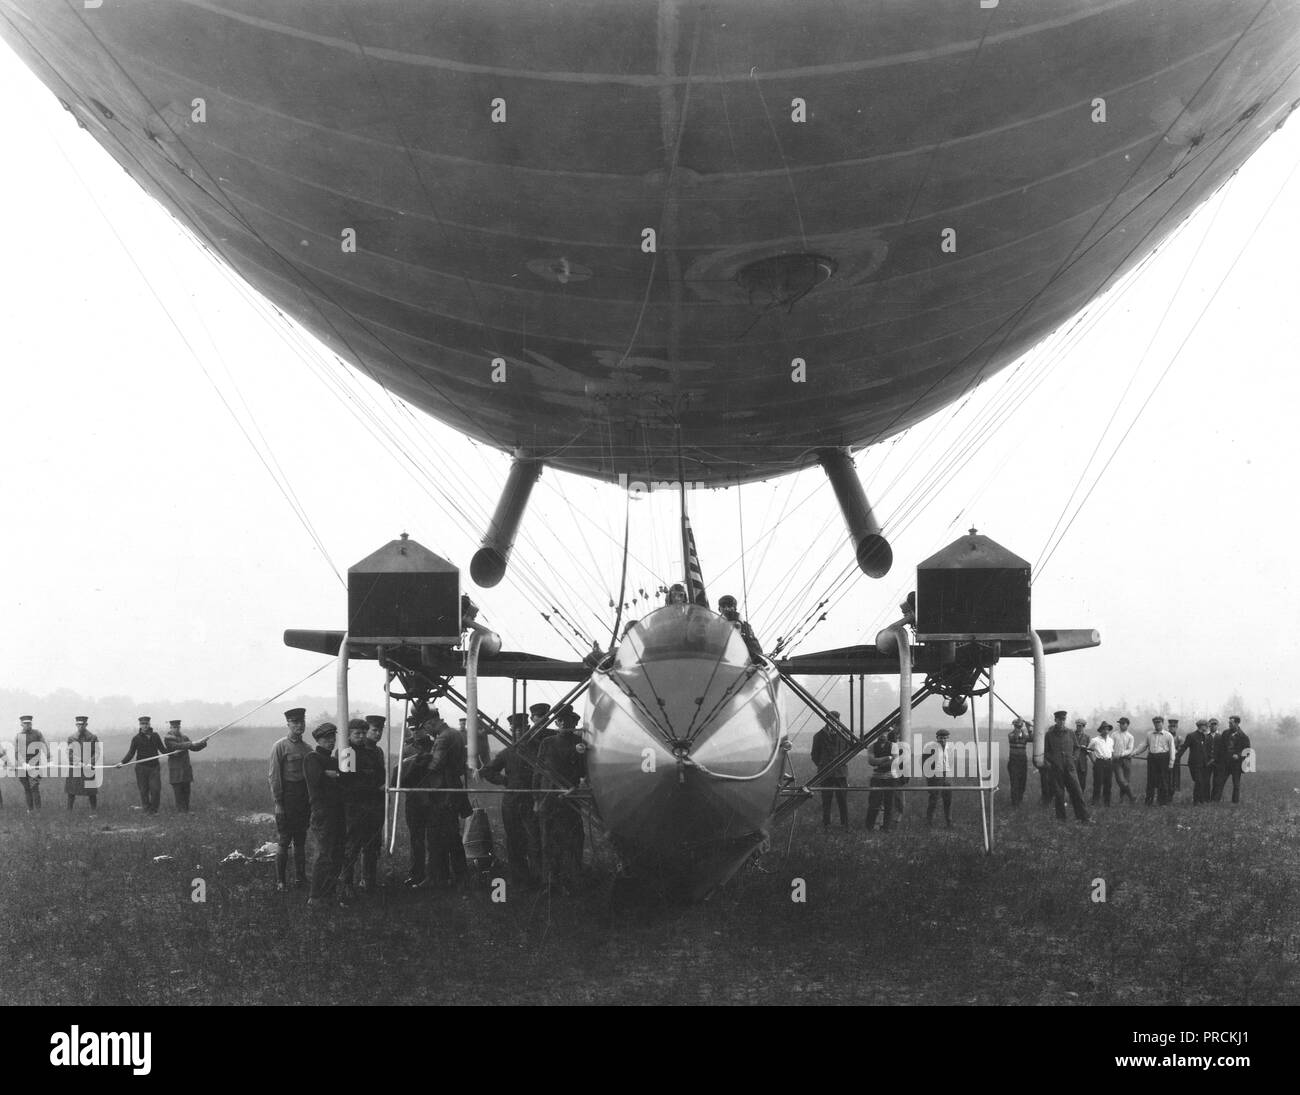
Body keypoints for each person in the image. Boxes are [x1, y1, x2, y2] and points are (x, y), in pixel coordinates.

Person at [481, 713, 542, 885]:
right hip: (512, 802)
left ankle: (539, 878)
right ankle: (520, 879)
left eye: (521, 729)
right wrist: (505, 781)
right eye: (514, 730)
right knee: (515, 840)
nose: (517, 733)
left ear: (528, 729)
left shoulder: (539, 750)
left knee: (535, 839)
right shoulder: (507, 753)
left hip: (533, 800)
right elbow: (487, 771)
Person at [534, 707, 586, 890]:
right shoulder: (547, 743)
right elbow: (538, 772)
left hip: (569, 798)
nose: (564, 723)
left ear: (574, 723)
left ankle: (573, 879)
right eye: (561, 720)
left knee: (573, 839)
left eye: (569, 721)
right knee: (548, 839)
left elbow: (584, 772)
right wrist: (536, 799)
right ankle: (550, 881)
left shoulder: (580, 743)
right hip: (548, 798)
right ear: (556, 723)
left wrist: (576, 788)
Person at [268, 707, 313, 891]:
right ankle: (281, 881)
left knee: (301, 840)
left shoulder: (308, 748)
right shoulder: (280, 746)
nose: (299, 725)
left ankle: (300, 878)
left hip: (303, 799)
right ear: (288, 724)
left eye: (301, 722)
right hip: (287, 798)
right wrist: (278, 803)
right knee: (284, 840)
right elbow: (274, 776)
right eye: (295, 722)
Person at [339, 719, 386, 894]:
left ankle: (369, 881)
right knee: (352, 846)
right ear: (349, 734)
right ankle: (347, 884)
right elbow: (347, 784)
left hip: (373, 806)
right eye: (356, 733)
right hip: (354, 807)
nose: (361, 736)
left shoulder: (372, 752)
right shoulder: (346, 753)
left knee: (372, 845)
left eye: (363, 733)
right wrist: (374, 789)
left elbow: (380, 775)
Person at [304, 723, 346, 907]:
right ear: (318, 740)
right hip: (322, 812)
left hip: (337, 811)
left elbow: (345, 779)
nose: (330, 742)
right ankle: (315, 896)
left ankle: (329, 893)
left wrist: (334, 775)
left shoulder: (334, 760)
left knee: (337, 853)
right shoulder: (312, 758)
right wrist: (328, 775)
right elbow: (315, 779)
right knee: (324, 854)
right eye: (326, 739)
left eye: (332, 738)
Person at [1042, 710, 1092, 823]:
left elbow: (1077, 747)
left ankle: (1084, 818)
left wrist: (1074, 758)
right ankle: (1061, 819)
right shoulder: (1049, 734)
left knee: (1077, 792)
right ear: (1055, 720)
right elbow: (1045, 751)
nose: (1062, 722)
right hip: (1056, 769)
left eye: (1063, 719)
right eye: (1059, 719)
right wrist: (1052, 762)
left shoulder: (1070, 733)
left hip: (1070, 768)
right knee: (1059, 794)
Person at [810, 712, 850, 829]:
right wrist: (823, 765)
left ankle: (845, 825)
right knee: (826, 801)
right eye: (830, 720)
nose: (833, 722)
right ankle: (826, 825)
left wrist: (841, 764)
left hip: (841, 774)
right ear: (826, 720)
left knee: (842, 801)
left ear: (839, 721)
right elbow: (814, 754)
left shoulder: (845, 735)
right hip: (825, 773)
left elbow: (849, 753)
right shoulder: (819, 735)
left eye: (835, 720)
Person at [120, 716, 165, 814]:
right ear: (140, 725)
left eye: (146, 724)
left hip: (154, 767)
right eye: (142, 724)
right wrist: (122, 762)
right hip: (141, 768)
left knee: (156, 789)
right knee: (143, 791)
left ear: (149, 725)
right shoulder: (136, 738)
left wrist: (174, 751)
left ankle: (154, 810)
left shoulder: (155, 736)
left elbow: (163, 749)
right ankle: (147, 809)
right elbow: (131, 753)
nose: (144, 726)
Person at [162, 719, 207, 812]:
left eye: (178, 727)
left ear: (180, 727)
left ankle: (186, 811)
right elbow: (176, 746)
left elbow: (194, 748)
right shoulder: (168, 738)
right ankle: (180, 812)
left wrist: (203, 742)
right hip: (176, 771)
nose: (176, 729)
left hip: (186, 769)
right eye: (174, 727)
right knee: (178, 792)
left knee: (186, 791)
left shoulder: (185, 737)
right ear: (170, 728)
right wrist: (190, 743)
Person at [865, 726, 901, 831]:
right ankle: (869, 827)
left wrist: (879, 762)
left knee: (889, 804)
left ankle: (887, 828)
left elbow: (894, 762)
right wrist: (887, 758)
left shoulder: (894, 746)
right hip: (877, 778)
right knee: (874, 804)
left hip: (891, 777)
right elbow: (871, 761)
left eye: (885, 732)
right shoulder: (871, 747)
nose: (882, 735)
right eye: (880, 733)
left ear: (888, 733)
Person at [1134, 716, 1174, 806]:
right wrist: (1134, 753)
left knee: (1163, 780)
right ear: (1153, 724)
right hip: (1152, 758)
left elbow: (1172, 749)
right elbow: (1143, 745)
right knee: (1151, 780)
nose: (1157, 724)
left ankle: (1162, 802)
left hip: (1163, 758)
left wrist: (1171, 763)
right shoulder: (1149, 734)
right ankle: (1149, 802)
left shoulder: (1168, 735)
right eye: (1155, 722)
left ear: (1162, 723)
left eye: (1159, 722)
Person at [1212, 716, 1251, 804]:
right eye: (1229, 723)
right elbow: (1220, 748)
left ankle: (1235, 803)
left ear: (1237, 723)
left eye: (1231, 723)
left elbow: (1248, 751)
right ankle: (1215, 801)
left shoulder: (1243, 736)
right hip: (1225, 764)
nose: (1229, 724)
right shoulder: (1225, 733)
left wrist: (1239, 755)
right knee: (1220, 783)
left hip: (1236, 765)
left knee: (1236, 785)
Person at [65, 716, 100, 812]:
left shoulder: (93, 738)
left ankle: (94, 811)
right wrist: (78, 762)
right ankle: (69, 811)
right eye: (79, 724)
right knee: (71, 791)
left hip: (88, 768)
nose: (80, 726)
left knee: (91, 790)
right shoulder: (71, 738)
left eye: (82, 724)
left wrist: (90, 763)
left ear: (86, 725)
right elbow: (69, 753)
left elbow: (97, 753)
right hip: (75, 767)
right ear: (76, 725)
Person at [923, 727, 955, 828]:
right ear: (937, 737)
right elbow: (924, 763)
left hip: (946, 774)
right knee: (934, 799)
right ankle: (929, 822)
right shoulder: (930, 747)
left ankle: (949, 822)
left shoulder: (950, 747)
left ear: (948, 738)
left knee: (948, 799)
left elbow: (950, 760)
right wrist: (930, 776)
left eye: (945, 738)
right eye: (941, 738)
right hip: (935, 776)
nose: (943, 740)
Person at [718, 593, 764, 660]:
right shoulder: (714, 624)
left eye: (729, 606)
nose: (726, 609)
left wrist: (757, 660)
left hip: (740, 661)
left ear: (734, 607)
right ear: (719, 608)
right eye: (723, 606)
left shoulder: (745, 626)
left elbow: (754, 648)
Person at [1178, 720, 1214, 805]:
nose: (1207, 727)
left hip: (1204, 764)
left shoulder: (1206, 737)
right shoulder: (1191, 736)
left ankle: (1200, 800)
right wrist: (1176, 758)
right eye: (1206, 726)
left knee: (1202, 782)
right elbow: (1184, 748)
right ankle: (1196, 801)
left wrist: (1211, 759)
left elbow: (1207, 750)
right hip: (1194, 764)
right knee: (1198, 781)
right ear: (1201, 726)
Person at [15, 715, 45, 811]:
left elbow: (44, 745)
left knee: (34, 787)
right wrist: (23, 763)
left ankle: (38, 810)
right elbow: (17, 752)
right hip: (22, 767)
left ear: (31, 723)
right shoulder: (18, 736)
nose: (27, 725)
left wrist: (49, 759)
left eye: (29, 723)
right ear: (21, 724)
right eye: (25, 723)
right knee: (27, 789)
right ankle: (30, 810)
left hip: (34, 765)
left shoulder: (37, 733)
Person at [1006, 718, 1032, 806]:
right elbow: (1016, 737)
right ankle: (1015, 803)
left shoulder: (1024, 735)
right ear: (1014, 726)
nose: (1018, 728)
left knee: (1022, 782)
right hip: (1013, 762)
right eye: (1017, 726)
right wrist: (1023, 730)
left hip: (1023, 762)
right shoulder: (1011, 735)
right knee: (1015, 783)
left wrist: (1029, 728)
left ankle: (1019, 799)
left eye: (1020, 726)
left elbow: (1032, 739)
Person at [1088, 722, 1114, 807]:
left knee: (1108, 783)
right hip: (1099, 762)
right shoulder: (1095, 740)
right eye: (1104, 729)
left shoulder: (1111, 740)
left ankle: (1107, 803)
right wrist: (1094, 762)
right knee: (1098, 783)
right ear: (1101, 730)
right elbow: (1089, 751)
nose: (1106, 731)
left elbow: (1111, 752)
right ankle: (1095, 802)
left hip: (1109, 762)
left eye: (1107, 729)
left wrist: (1111, 761)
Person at [1111, 717, 1136, 803]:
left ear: (1127, 725)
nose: (1121, 725)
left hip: (1126, 760)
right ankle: (1132, 797)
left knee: (1126, 780)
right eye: (1120, 723)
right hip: (1116, 761)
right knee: (1121, 780)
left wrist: (1122, 754)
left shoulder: (1130, 736)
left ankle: (1122, 800)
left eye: (1123, 723)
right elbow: (1110, 746)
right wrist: (1114, 754)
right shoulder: (1114, 735)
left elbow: (1130, 749)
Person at [1072, 718, 1090, 794]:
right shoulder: (1072, 735)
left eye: (1080, 726)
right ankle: (1072, 798)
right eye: (1077, 726)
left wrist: (1085, 748)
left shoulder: (1087, 737)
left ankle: (1081, 797)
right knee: (1073, 780)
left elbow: (1089, 750)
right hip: (1073, 761)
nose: (1078, 727)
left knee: (1082, 781)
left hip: (1083, 762)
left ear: (1083, 727)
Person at [1167, 718, 1183, 795]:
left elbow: (1180, 748)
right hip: (1166, 758)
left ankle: (1173, 791)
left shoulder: (1179, 738)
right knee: (1166, 775)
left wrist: (1175, 752)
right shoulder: (1165, 736)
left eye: (1174, 727)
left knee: (1175, 775)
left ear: (1176, 728)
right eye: (1171, 727)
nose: (1172, 728)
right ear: (1168, 727)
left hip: (1176, 759)